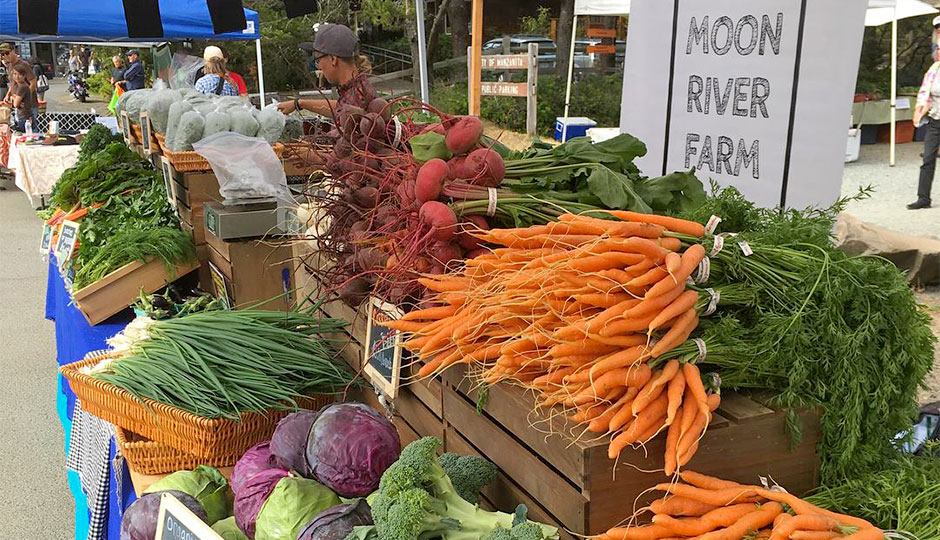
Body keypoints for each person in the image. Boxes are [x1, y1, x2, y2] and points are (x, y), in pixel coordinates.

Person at [278, 24, 375, 119]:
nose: (318, 66)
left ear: (333, 59)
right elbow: (340, 108)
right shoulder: (356, 88)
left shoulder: (358, 95)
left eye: (318, 60)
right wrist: (299, 104)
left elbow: (345, 112)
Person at [912, 44, 940, 209]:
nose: (939, 52)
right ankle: (923, 199)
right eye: (938, 49)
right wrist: (919, 110)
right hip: (935, 121)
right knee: (927, 158)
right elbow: (924, 92)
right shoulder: (934, 70)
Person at [1, 43, 38, 120]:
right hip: (18, 104)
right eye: (2, 54)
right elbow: (12, 83)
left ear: (13, 51)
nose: (5, 56)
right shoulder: (9, 66)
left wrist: (24, 98)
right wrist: (8, 95)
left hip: (27, 105)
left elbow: (33, 83)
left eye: (7, 53)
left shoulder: (24, 64)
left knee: (29, 128)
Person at [2, 63, 36, 132]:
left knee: (24, 137)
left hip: (23, 116)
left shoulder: (22, 87)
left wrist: (15, 99)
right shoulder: (22, 86)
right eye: (15, 74)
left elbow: (15, 104)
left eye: (19, 74)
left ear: (24, 76)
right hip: (26, 116)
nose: (17, 77)